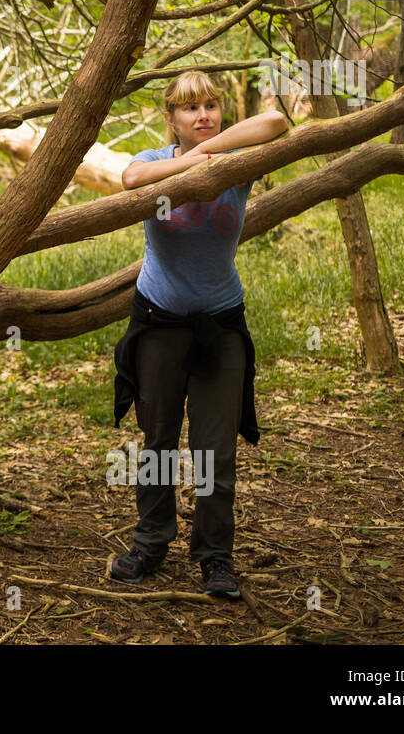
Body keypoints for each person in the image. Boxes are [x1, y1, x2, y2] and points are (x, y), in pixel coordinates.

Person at [109, 70, 288, 600]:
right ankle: (151, 544)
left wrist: (210, 156)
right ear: (171, 120)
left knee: (214, 449)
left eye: (210, 105)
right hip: (160, 321)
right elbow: (129, 181)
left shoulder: (236, 166)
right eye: (190, 109)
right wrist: (188, 163)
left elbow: (277, 120)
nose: (203, 115)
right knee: (159, 442)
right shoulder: (155, 161)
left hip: (220, 325)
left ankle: (215, 558)